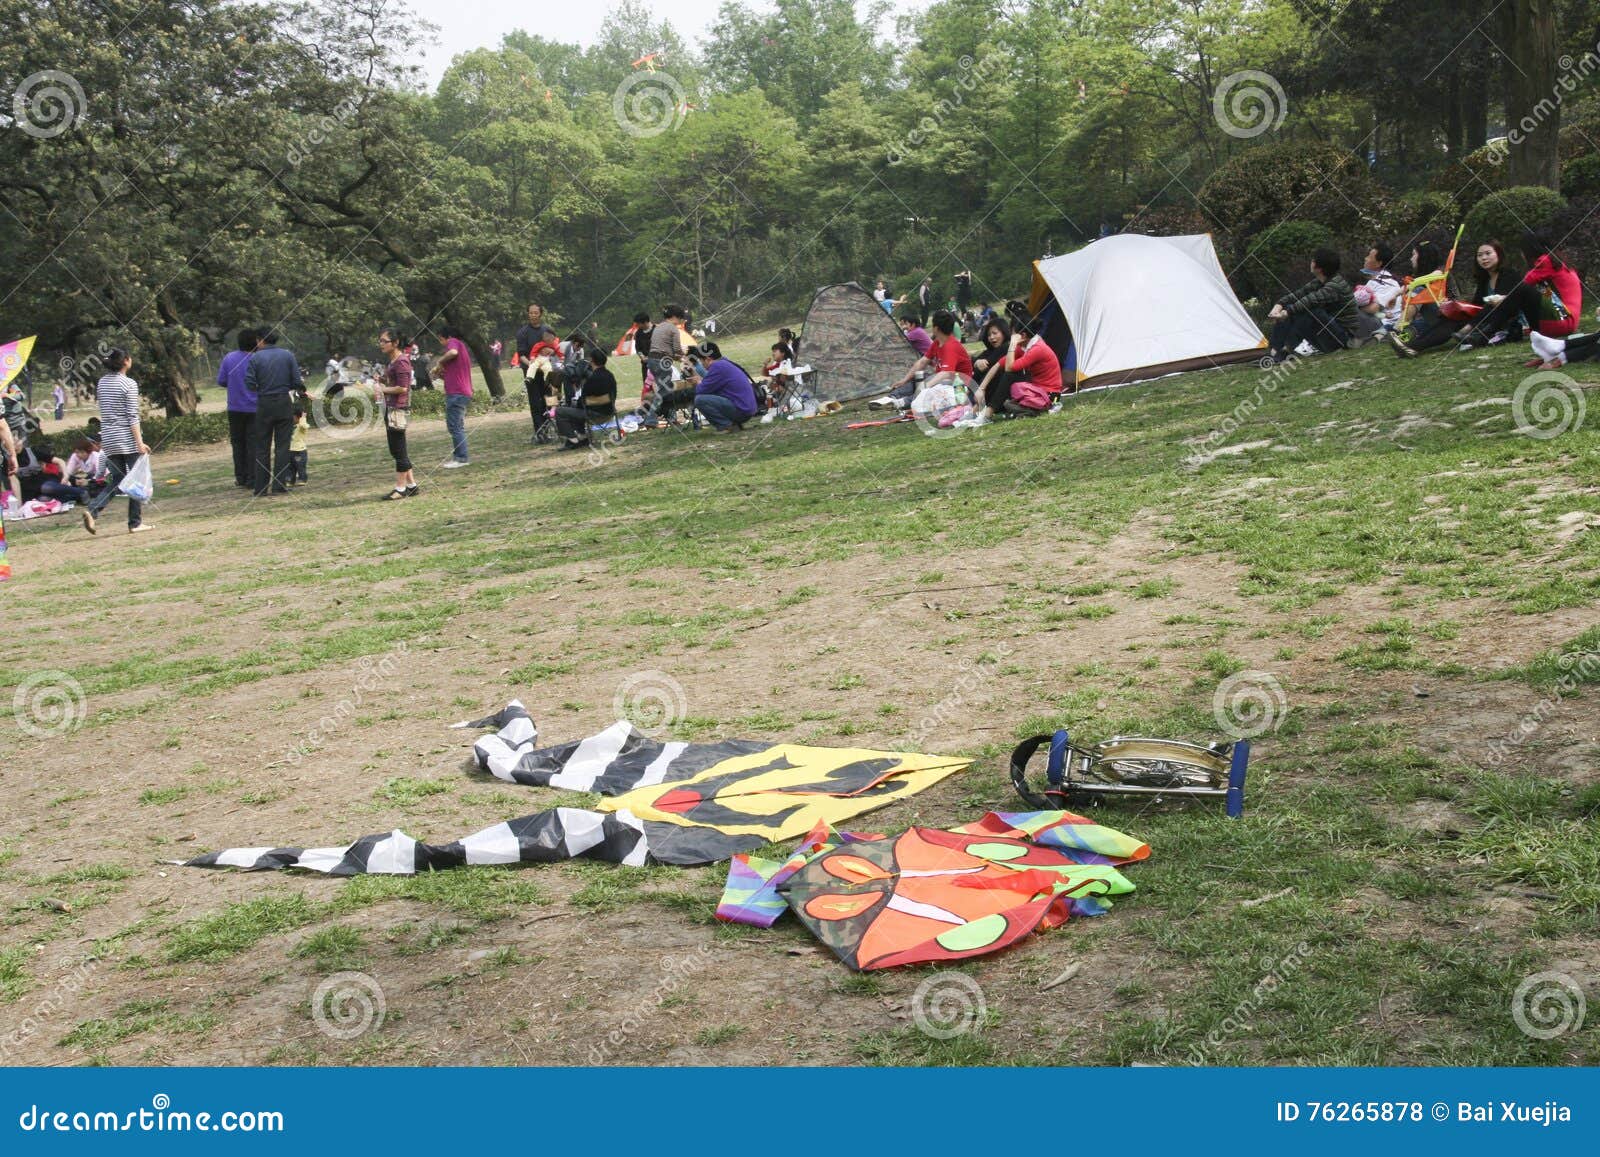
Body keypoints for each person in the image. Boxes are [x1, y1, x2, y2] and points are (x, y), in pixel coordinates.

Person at [1460, 232, 1581, 349]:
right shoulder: (1556, 261)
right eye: (1480, 255)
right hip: (1564, 319)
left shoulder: (1545, 262)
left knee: (1521, 289)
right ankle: (1482, 333)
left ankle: (1482, 333)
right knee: (1516, 294)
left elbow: (1524, 284)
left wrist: (1504, 299)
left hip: (1562, 321)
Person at [81, 349, 150, 535]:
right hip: (126, 438)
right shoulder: (129, 384)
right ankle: (135, 523)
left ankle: (93, 511)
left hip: (109, 438)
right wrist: (139, 442)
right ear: (126, 361)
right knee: (136, 480)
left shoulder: (102, 382)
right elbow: (132, 416)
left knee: (118, 479)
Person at [1266, 248, 1356, 362]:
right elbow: (1296, 295)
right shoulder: (1319, 282)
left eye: (1313, 260)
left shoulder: (1335, 286)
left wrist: (1285, 313)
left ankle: (1285, 351)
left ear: (1319, 268)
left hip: (1342, 339)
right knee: (1295, 308)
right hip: (1327, 336)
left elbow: (1310, 301)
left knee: (1309, 310)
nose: (1311, 262)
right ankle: (1274, 352)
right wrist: (1278, 307)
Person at [873, 310, 974, 409]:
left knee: (930, 391)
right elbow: (922, 362)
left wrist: (926, 386)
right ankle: (891, 398)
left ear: (936, 328)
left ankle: (902, 402)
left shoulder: (951, 346)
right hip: (944, 382)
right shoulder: (937, 342)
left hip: (959, 387)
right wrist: (904, 380)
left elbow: (946, 373)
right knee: (917, 377)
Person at [244, 329, 300, 496]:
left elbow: (249, 384)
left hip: (264, 404)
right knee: (283, 447)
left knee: (262, 447)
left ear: (260, 340)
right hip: (283, 402)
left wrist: (262, 388)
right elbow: (296, 381)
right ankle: (279, 485)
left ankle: (261, 487)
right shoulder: (288, 355)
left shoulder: (255, 358)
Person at [1383, 242, 1460, 357]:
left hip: (1451, 315)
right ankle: (1402, 340)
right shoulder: (1422, 276)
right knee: (1417, 325)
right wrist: (1394, 295)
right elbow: (1413, 283)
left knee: (1418, 290)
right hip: (1437, 315)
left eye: (1414, 254)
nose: (1411, 258)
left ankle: (1397, 329)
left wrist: (1398, 293)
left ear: (1423, 256)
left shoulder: (1441, 270)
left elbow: (1427, 279)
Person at [374, 328, 417, 500]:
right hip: (390, 407)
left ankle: (400, 489)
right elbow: (393, 382)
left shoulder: (401, 362)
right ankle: (412, 486)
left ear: (395, 342)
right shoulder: (393, 362)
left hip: (398, 410)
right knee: (398, 450)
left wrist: (382, 389)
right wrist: (381, 380)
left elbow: (402, 388)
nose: (381, 344)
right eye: (380, 341)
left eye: (384, 341)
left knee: (398, 450)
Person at [554, 348, 619, 450]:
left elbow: (582, 402)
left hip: (594, 415)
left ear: (592, 361)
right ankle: (583, 437)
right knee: (577, 408)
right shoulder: (610, 376)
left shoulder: (592, 379)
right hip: (609, 412)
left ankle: (573, 440)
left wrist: (574, 402)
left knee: (560, 411)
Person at [515, 303, 562, 442]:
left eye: (536, 313)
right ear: (528, 314)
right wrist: (532, 365)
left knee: (551, 399)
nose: (533, 315)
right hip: (532, 372)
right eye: (531, 313)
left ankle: (551, 430)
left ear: (540, 314)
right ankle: (540, 433)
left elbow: (556, 348)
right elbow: (521, 355)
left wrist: (551, 353)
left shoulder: (547, 329)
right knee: (535, 402)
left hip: (548, 372)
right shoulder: (522, 332)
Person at [218, 328, 257, 488]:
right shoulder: (258, 359)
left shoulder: (229, 358)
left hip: (235, 408)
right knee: (253, 444)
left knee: (238, 443)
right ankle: (253, 478)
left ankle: (240, 477)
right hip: (255, 408)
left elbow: (221, 381)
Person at [692, 342, 759, 432]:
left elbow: (701, 390)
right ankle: (735, 425)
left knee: (700, 400)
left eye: (701, 361)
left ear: (708, 359)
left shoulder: (717, 367)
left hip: (742, 411)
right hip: (747, 409)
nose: (702, 364)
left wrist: (698, 382)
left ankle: (727, 426)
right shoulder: (724, 362)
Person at [1469, 240, 1523, 344]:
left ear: (1499, 254)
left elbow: (1508, 303)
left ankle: (1469, 330)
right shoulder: (1484, 280)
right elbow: (1476, 304)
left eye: (1488, 253)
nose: (1484, 258)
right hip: (1491, 319)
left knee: (1496, 302)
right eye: (1480, 255)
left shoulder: (1509, 274)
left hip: (1514, 318)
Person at [435, 325, 473, 467]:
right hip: (459, 392)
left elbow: (453, 352)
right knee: (456, 427)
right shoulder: (460, 350)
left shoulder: (454, 342)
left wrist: (440, 361)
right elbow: (451, 376)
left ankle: (461, 458)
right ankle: (460, 457)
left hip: (457, 393)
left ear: (447, 337)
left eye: (441, 339)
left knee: (455, 427)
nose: (442, 343)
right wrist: (439, 374)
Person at [643, 304, 689, 418]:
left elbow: (664, 349)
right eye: (680, 318)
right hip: (661, 362)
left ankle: (668, 415)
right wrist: (684, 354)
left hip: (652, 361)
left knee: (663, 388)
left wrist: (678, 358)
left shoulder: (658, 327)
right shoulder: (673, 329)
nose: (681, 321)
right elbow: (677, 349)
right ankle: (651, 417)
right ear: (674, 317)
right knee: (664, 390)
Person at [1353, 243, 1403, 342]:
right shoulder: (1375, 280)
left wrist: (1354, 304)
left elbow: (1373, 309)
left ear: (1378, 263)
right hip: (1377, 319)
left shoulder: (1387, 282)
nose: (1365, 258)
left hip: (1384, 325)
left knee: (1347, 310)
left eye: (1369, 256)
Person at [288, 406, 309, 485]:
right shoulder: (291, 425)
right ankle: (290, 480)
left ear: (298, 417)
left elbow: (303, 425)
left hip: (299, 451)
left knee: (300, 466)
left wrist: (303, 417)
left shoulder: (302, 426)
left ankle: (302, 479)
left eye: (293, 416)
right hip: (290, 450)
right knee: (291, 467)